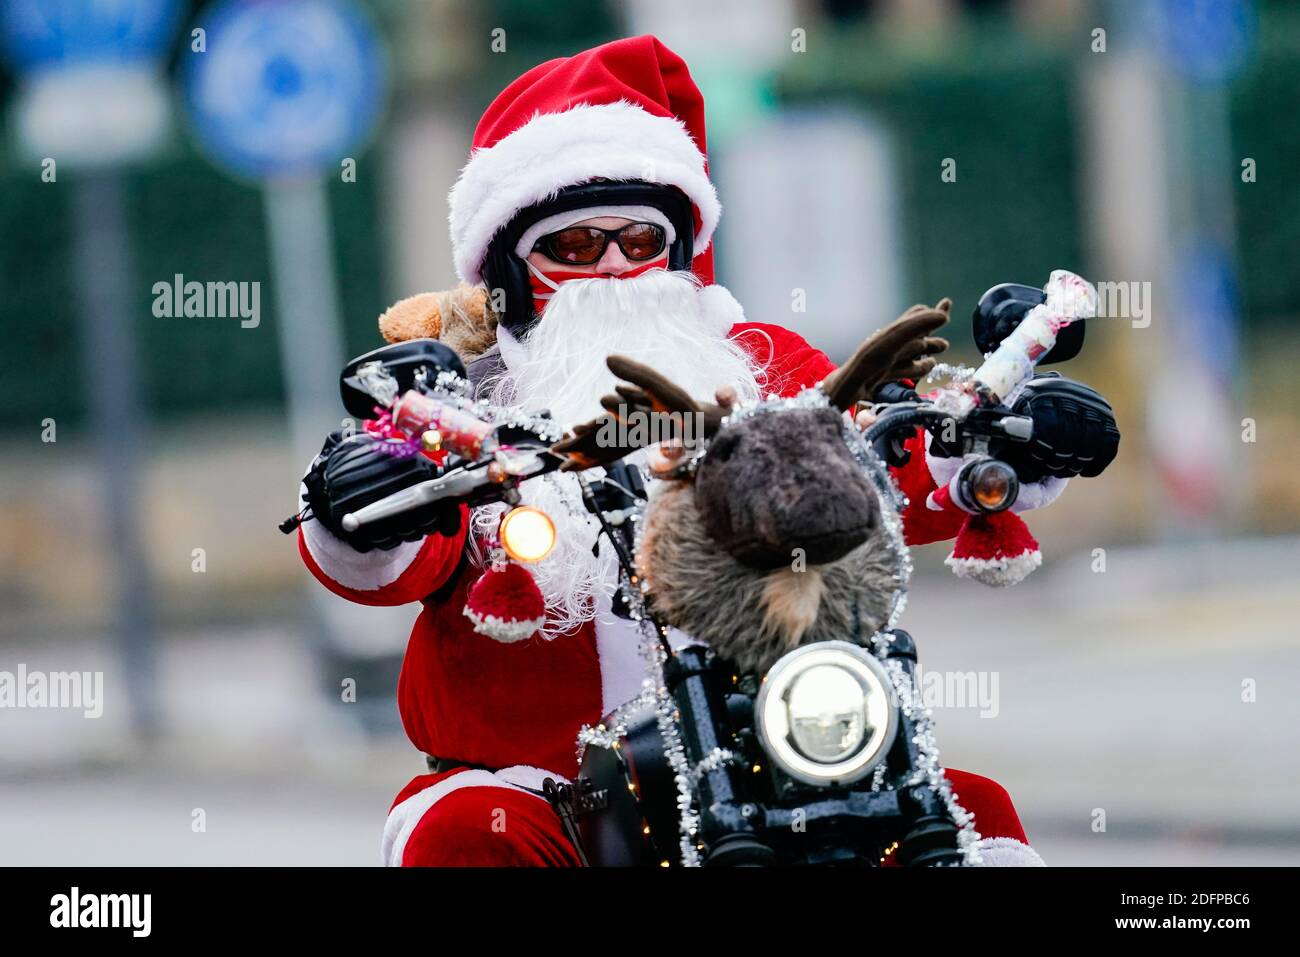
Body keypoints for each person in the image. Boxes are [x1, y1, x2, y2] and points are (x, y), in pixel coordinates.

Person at [293, 36, 1115, 866]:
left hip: (771, 736)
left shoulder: (760, 365)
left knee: (966, 808)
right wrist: (368, 500)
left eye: (640, 242)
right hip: (540, 781)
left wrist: (995, 445)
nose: (614, 267)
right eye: (576, 246)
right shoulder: (466, 400)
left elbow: (867, 460)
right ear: (508, 271)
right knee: (464, 833)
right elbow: (392, 560)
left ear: (678, 252)